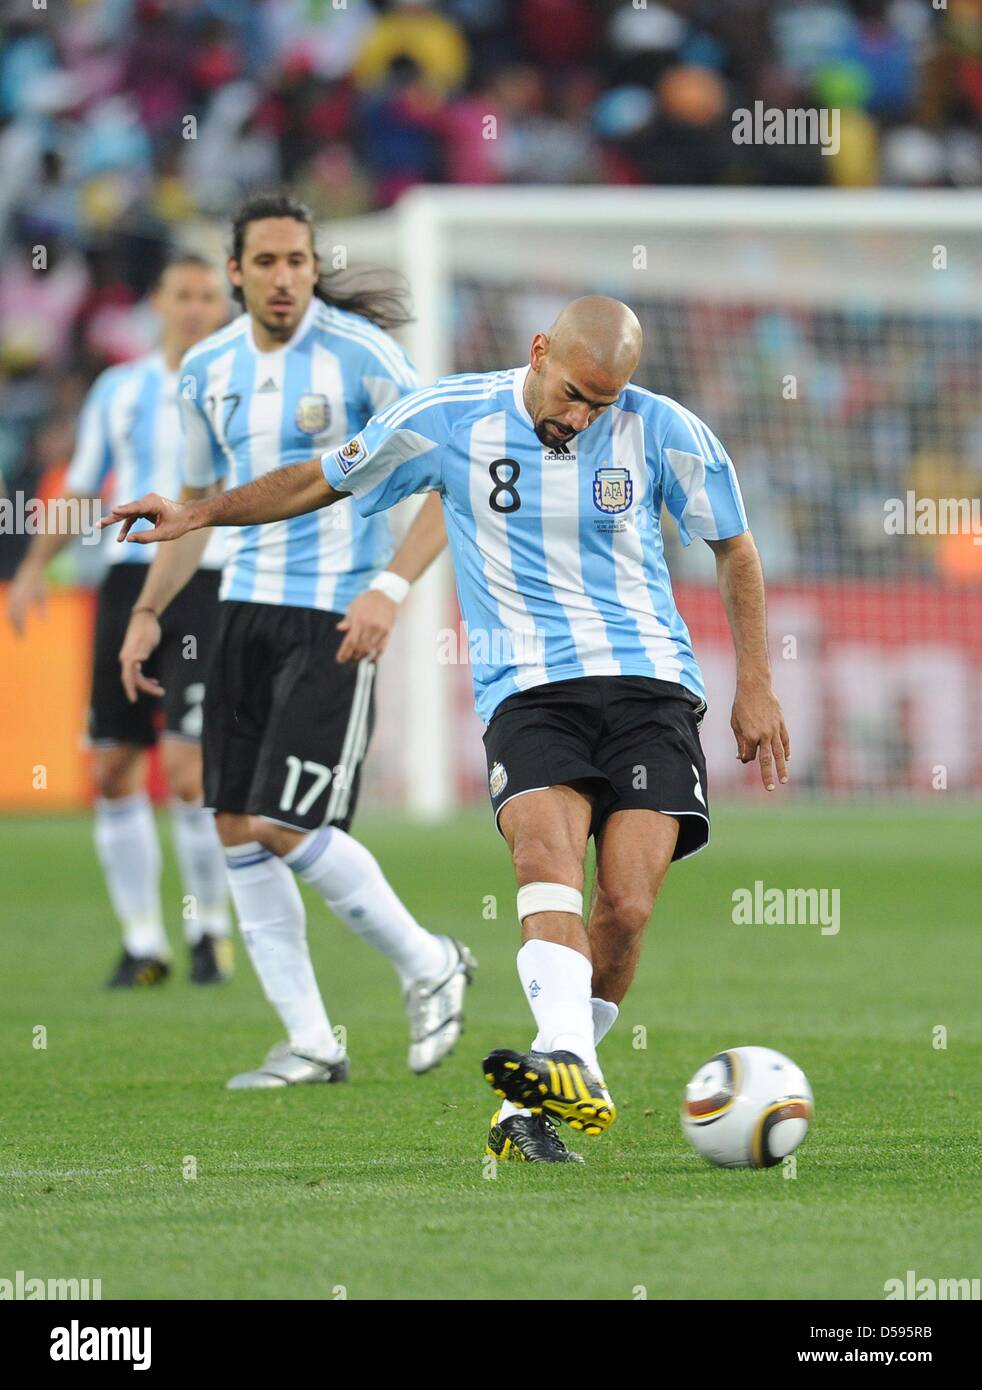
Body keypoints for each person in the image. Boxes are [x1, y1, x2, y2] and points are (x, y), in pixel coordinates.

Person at [102, 294, 789, 1158]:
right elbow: (323, 476)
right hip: (526, 689)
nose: (581, 418)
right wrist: (199, 514)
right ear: (539, 352)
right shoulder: (449, 416)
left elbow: (735, 545)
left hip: (650, 685)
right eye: (573, 394)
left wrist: (755, 682)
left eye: (602, 404)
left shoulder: (664, 431)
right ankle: (571, 1059)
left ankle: (534, 1097)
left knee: (628, 904)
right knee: (545, 863)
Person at [112, 192, 475, 1089]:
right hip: (241, 610)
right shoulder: (205, 370)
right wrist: (150, 612)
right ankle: (312, 1040)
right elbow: (197, 507)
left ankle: (430, 960)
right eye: (266, 262)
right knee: (234, 820)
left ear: (316, 269)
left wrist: (391, 587)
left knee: (284, 819)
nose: (284, 278)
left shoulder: (364, 358)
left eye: (299, 262)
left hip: (335, 614)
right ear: (233, 272)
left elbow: (450, 475)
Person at [8, 254, 233, 988]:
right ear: (160, 302)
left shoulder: (239, 382)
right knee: (112, 765)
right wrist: (35, 568)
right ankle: (145, 943)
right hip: (126, 573)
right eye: (183, 294)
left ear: (223, 306)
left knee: (187, 767)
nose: (196, 307)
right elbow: (80, 486)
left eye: (208, 295)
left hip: (209, 576)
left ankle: (208, 930)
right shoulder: (122, 387)